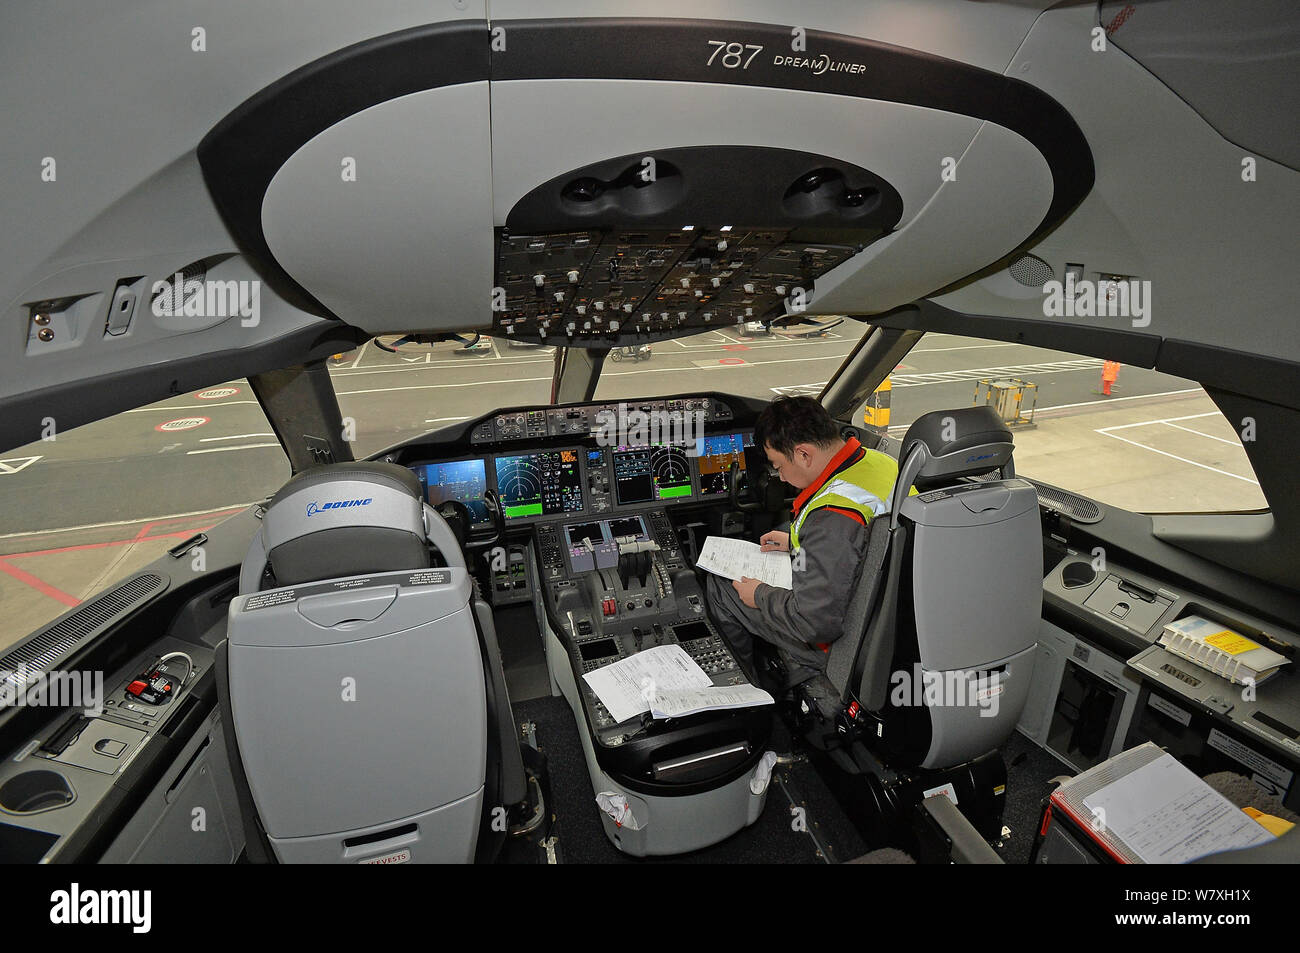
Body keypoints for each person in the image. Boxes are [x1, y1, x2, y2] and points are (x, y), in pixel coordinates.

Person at [705, 396, 913, 690]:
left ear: (804, 454)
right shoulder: (880, 461)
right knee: (781, 529)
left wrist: (760, 594)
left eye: (778, 465)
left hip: (845, 642)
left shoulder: (831, 517)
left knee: (722, 587)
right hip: (894, 612)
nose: (780, 476)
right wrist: (794, 541)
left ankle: (749, 691)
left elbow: (812, 622)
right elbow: (857, 542)